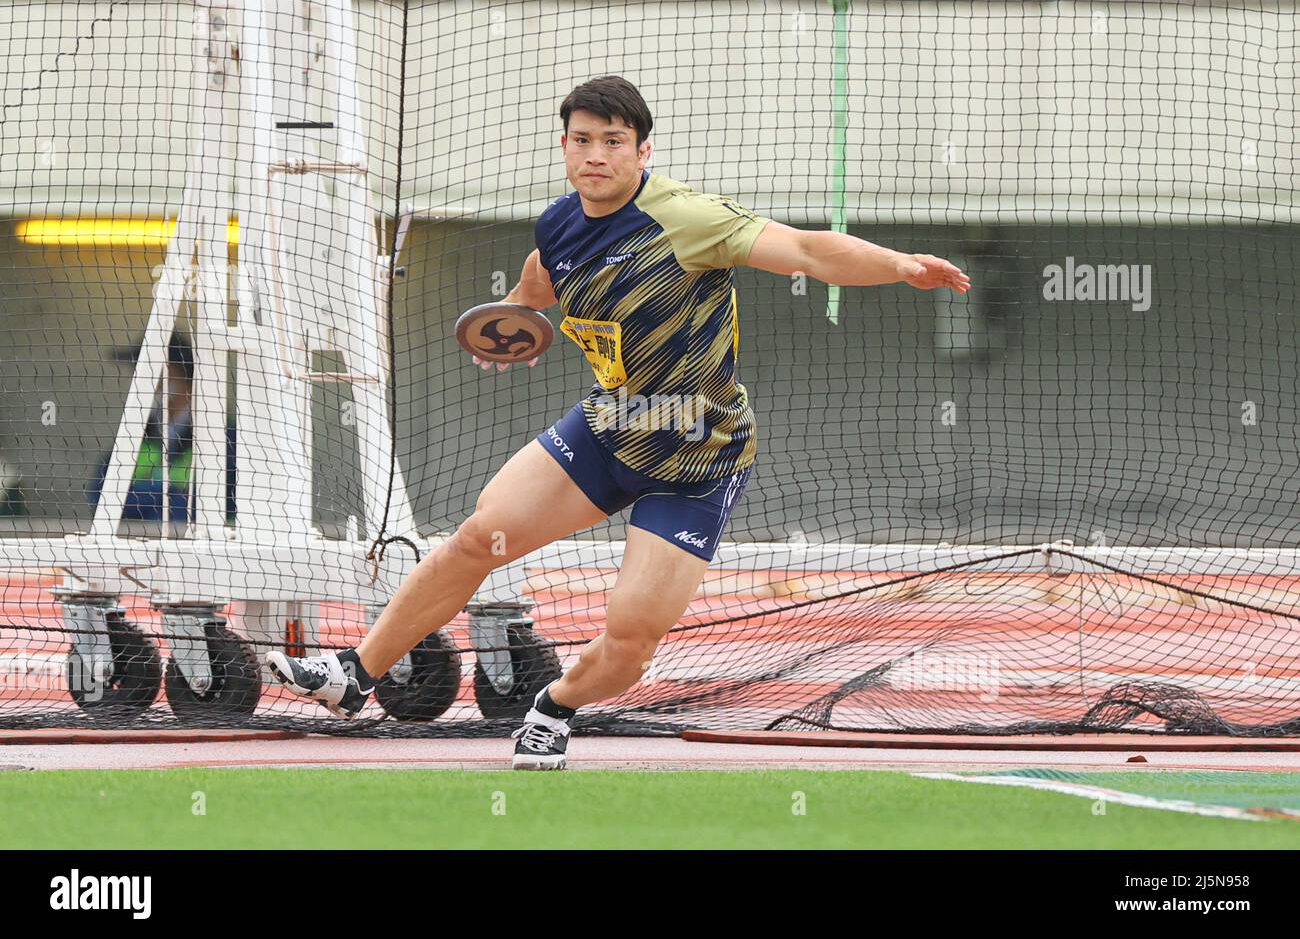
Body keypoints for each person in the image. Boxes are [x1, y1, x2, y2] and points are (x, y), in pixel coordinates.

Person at [264, 75, 969, 769]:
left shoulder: (689, 221)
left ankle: (555, 707)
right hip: (609, 429)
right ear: (564, 146)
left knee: (630, 641)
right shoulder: (559, 222)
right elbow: (540, 278)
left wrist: (903, 265)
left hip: (699, 455)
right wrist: (512, 322)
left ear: (642, 151)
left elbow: (811, 251)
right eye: (582, 141)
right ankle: (355, 673)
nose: (595, 155)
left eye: (613, 141)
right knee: (480, 536)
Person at [86, 331, 237, 524]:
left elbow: (215, 503)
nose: (144, 381)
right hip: (141, 548)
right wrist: (166, 496)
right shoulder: (138, 433)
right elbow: (101, 496)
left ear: (179, 372)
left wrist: (149, 500)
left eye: (152, 371)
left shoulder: (224, 436)